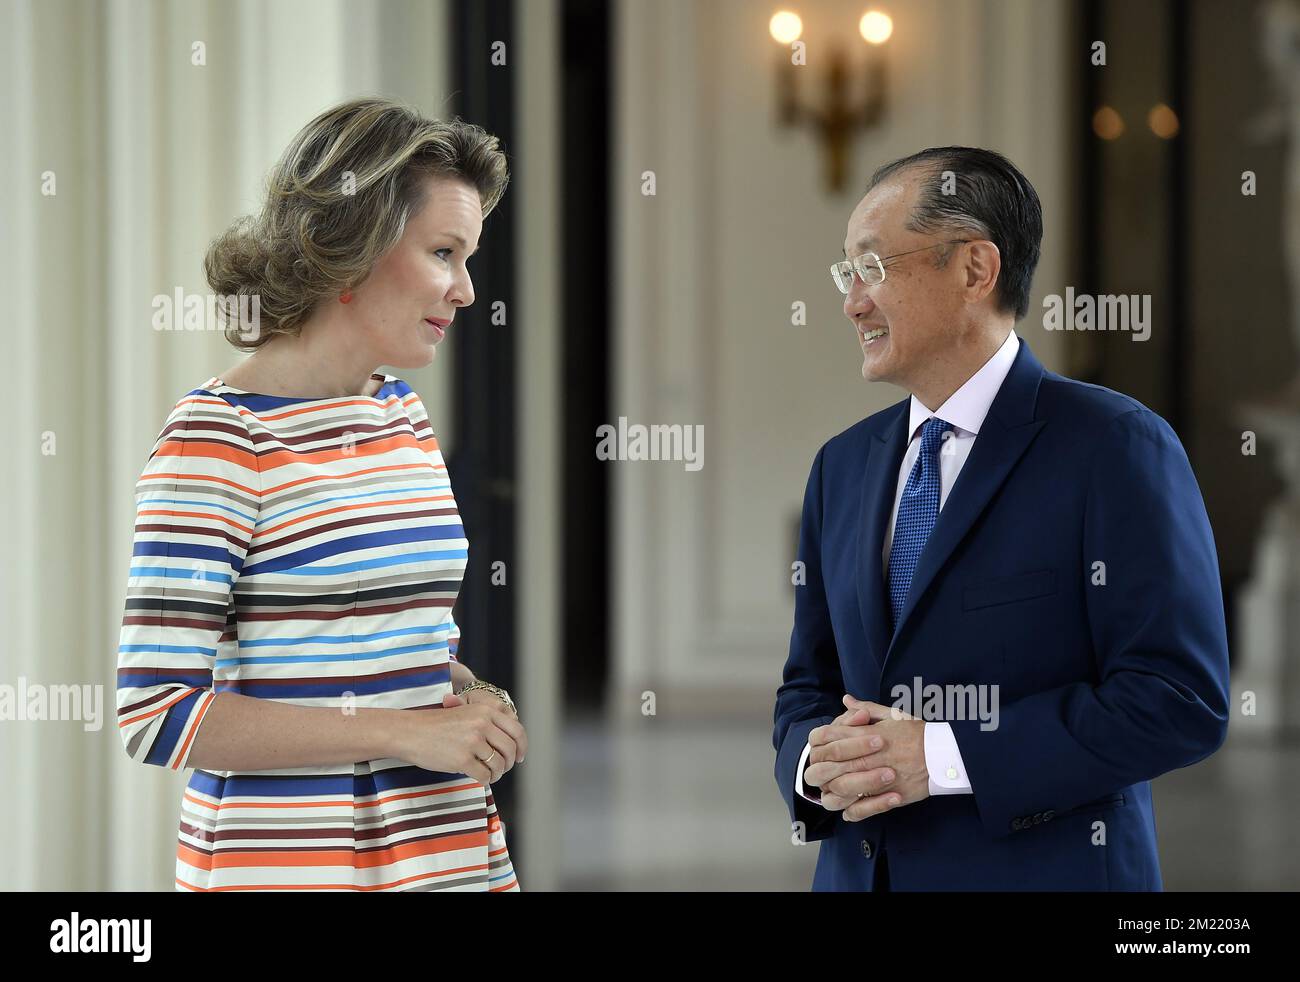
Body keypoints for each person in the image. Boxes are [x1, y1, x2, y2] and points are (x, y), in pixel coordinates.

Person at [772, 147, 1230, 891]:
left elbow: (1179, 702)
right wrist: (813, 763)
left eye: (872, 267)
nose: (852, 301)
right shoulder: (842, 465)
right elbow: (806, 687)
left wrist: (943, 755)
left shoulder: (1115, 445)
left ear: (975, 270)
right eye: (845, 274)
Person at [116, 97, 526, 892]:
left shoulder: (397, 412)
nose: (467, 290)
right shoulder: (216, 441)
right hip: (288, 868)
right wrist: (407, 734)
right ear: (352, 244)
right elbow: (156, 714)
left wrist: (473, 696)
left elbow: (383, 645)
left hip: (442, 850)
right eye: (444, 252)